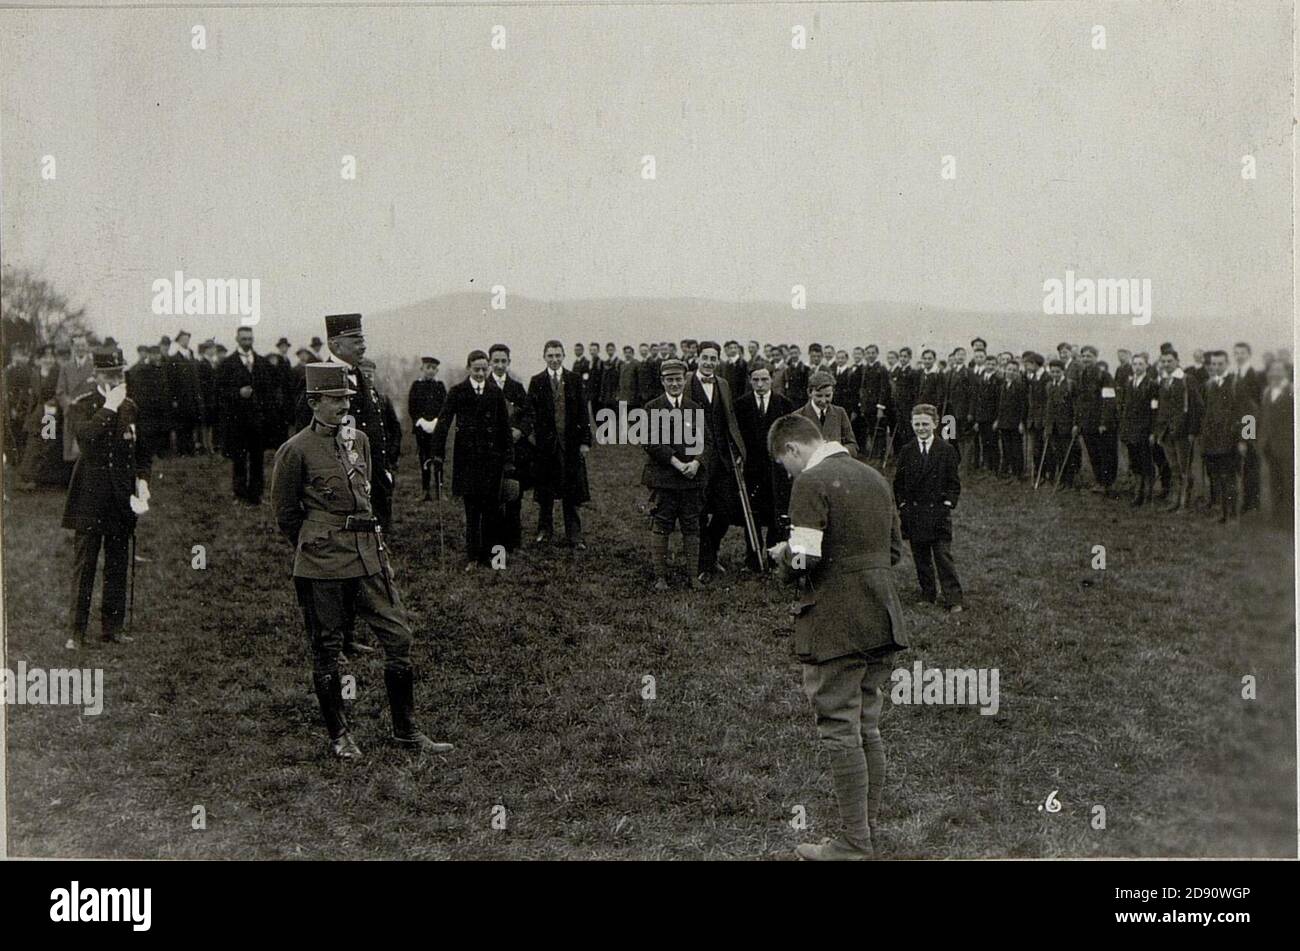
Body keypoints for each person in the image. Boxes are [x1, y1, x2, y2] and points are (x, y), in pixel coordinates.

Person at [271, 363, 453, 759]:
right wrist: (316, 542)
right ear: (314, 402)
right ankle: (340, 736)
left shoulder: (362, 442)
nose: (343, 406)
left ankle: (406, 730)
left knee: (398, 636)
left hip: (367, 554)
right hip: (323, 561)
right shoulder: (296, 450)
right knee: (327, 647)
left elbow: (366, 496)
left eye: (347, 400)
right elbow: (286, 515)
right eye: (335, 400)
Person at [766, 412, 907, 861]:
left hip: (836, 623)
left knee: (841, 727)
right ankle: (866, 829)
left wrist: (784, 554)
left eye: (783, 463)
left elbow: (806, 560)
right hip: (882, 616)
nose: (786, 473)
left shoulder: (810, 481)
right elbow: (892, 552)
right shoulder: (874, 476)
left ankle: (853, 843)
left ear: (793, 449)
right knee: (867, 723)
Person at [62, 347, 153, 650]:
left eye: (119, 374)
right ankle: (77, 631)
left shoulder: (130, 407)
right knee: (85, 563)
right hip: (90, 495)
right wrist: (109, 408)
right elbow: (85, 438)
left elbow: (141, 452)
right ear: (97, 375)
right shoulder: (83, 405)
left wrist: (142, 481)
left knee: (117, 563)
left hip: (119, 496)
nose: (115, 379)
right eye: (109, 374)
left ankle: (112, 628)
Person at [430, 350, 513, 569]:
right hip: (467, 463)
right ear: (468, 368)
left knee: (493, 511)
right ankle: (473, 557)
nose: (480, 373)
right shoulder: (458, 391)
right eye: (476, 369)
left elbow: (504, 427)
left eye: (484, 369)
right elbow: (444, 422)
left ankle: (494, 557)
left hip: (492, 462)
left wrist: (508, 459)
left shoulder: (495, 393)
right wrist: (438, 454)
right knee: (472, 511)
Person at [641, 358, 712, 590]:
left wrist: (696, 463)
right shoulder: (652, 407)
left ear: (685, 380)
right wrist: (676, 463)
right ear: (662, 381)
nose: (674, 384)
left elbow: (707, 442)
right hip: (664, 479)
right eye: (669, 380)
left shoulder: (695, 408)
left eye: (678, 379)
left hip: (691, 479)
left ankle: (693, 576)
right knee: (661, 524)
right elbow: (651, 442)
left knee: (692, 526)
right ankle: (661, 577)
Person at [893, 403, 963, 613]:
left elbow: (954, 483)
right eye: (917, 424)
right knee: (921, 557)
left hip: (939, 513)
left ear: (935, 424)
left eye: (925, 424)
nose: (921, 428)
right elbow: (899, 483)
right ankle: (928, 593)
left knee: (943, 556)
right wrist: (903, 504)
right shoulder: (907, 451)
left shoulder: (946, 450)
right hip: (915, 513)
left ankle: (953, 598)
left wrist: (948, 502)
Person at [527, 340, 592, 549]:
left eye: (558, 355)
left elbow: (583, 412)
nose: (554, 360)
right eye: (550, 356)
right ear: (544, 357)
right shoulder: (536, 381)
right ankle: (545, 531)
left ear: (564, 356)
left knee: (572, 491)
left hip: (571, 445)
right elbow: (531, 413)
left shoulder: (573, 380)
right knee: (546, 490)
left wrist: (585, 442)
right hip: (546, 447)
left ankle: (574, 534)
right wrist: (535, 440)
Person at [691, 341, 746, 581]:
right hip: (697, 456)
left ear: (718, 361)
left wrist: (737, 449)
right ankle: (703, 562)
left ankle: (710, 551)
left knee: (725, 509)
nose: (709, 362)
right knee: (699, 510)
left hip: (722, 457)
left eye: (714, 359)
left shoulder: (722, 384)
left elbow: (728, 419)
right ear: (697, 358)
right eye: (705, 358)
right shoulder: (685, 383)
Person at [734, 363, 794, 570]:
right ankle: (752, 559)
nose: (760, 384)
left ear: (771, 380)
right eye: (756, 380)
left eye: (764, 380)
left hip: (776, 469)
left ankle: (774, 557)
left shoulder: (784, 404)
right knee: (752, 513)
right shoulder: (741, 405)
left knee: (776, 514)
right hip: (751, 469)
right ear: (750, 381)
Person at [217, 326, 276, 505]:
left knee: (258, 458)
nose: (247, 343)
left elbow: (268, 390)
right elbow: (219, 393)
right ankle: (240, 494)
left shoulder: (261, 362)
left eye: (250, 339)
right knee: (240, 459)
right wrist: (237, 393)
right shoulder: (227, 364)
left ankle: (256, 494)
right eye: (244, 339)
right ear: (237, 339)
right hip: (238, 421)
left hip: (258, 421)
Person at [1201, 350, 1241, 523]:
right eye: (1214, 364)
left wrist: (1246, 439)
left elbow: (1249, 413)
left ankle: (1232, 514)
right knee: (1217, 477)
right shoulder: (1209, 385)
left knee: (1229, 477)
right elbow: (1206, 413)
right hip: (1212, 441)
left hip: (1230, 440)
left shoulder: (1236, 383)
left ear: (1227, 364)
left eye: (1220, 364)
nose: (1216, 367)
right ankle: (1223, 513)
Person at [1073, 345, 1118, 496]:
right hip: (1087, 423)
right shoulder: (1081, 375)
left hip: (1101, 424)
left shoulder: (1104, 376)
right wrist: (1078, 422)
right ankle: (1099, 481)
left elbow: (1109, 401)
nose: (1086, 359)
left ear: (1096, 358)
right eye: (1083, 356)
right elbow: (1079, 401)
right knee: (1093, 454)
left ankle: (1108, 484)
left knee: (1106, 453)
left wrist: (1104, 422)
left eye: (1089, 356)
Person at [1153, 350, 1193, 512]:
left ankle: (1185, 503)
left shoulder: (1185, 380)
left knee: (1184, 469)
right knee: (1174, 467)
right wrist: (1159, 429)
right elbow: (1161, 407)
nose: (1166, 364)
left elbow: (1194, 407)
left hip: (1181, 432)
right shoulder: (1164, 381)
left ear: (1177, 361)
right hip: (1166, 432)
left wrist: (1191, 430)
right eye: (1164, 361)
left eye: (1170, 361)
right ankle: (1176, 500)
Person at [1258, 358, 1294, 532]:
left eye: (1279, 370)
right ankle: (1277, 518)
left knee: (1289, 483)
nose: (1275, 373)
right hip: (1270, 445)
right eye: (1272, 370)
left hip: (1288, 445)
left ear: (1285, 372)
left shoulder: (1292, 391)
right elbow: (1264, 418)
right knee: (1275, 481)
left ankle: (1290, 521)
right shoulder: (1267, 391)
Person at [407, 356, 446, 502]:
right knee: (424, 458)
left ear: (436, 370)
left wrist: (438, 422)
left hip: (437, 429)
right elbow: (412, 407)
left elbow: (445, 407)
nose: (430, 371)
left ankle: (440, 491)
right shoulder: (416, 386)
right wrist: (420, 421)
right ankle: (425, 490)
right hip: (422, 430)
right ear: (422, 369)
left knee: (439, 458)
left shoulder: (440, 386)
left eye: (433, 368)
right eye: (428, 367)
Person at [799, 371, 859, 456]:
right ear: (809, 393)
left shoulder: (840, 413)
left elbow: (853, 446)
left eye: (828, 396)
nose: (823, 401)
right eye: (819, 396)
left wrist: (839, 450)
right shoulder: (799, 416)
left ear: (833, 393)